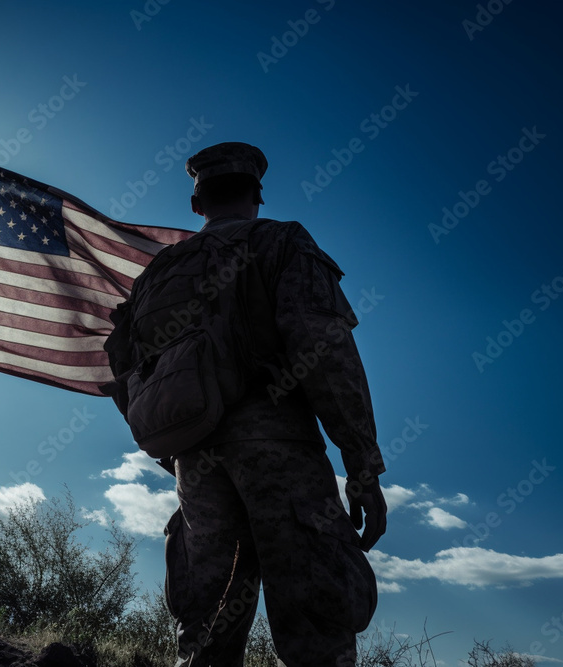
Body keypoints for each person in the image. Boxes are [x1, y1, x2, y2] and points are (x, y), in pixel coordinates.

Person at [112, 142, 387, 666]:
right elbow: (325, 351)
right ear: (257, 194)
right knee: (317, 618)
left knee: (206, 625)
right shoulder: (280, 242)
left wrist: (178, 451)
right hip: (277, 445)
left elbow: (131, 378)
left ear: (197, 204)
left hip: (195, 460)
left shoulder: (156, 274)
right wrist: (363, 465)